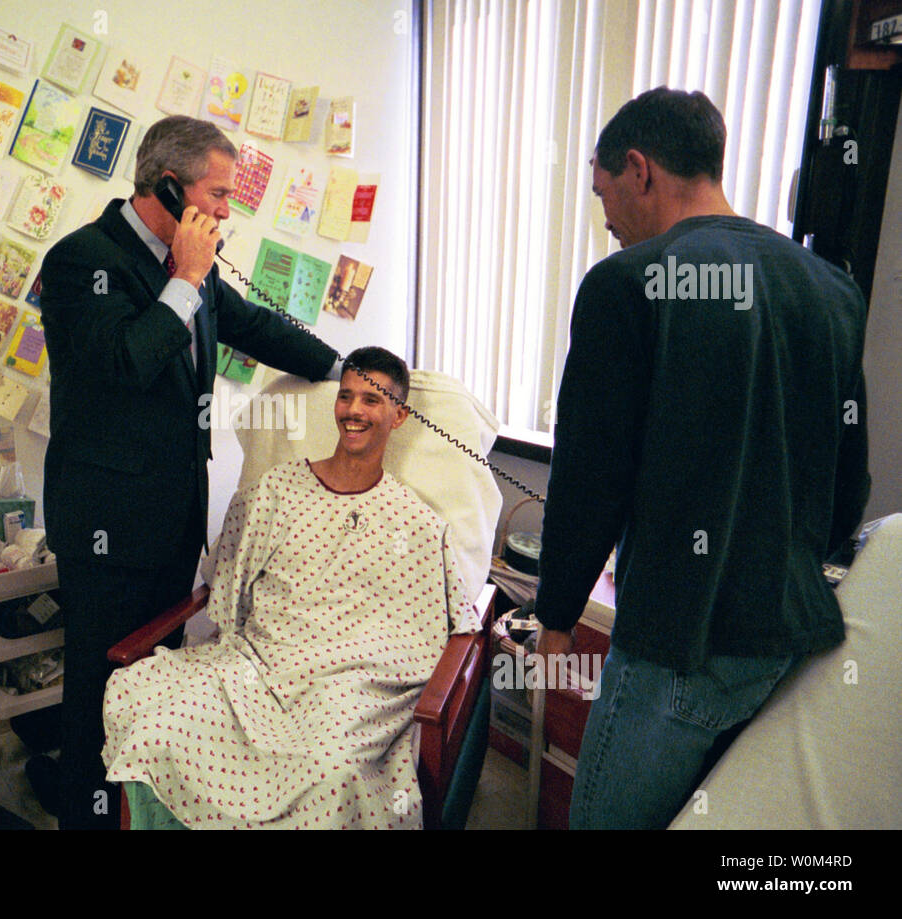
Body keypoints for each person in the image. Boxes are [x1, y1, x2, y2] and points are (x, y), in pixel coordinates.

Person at [532, 88, 871, 830]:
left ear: (638, 168)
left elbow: (591, 476)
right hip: (786, 645)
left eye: (603, 195)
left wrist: (556, 616)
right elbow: (849, 487)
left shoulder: (627, 284)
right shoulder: (830, 287)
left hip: (676, 649)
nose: (607, 220)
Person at [38, 115, 342, 829]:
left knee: (157, 693)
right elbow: (127, 360)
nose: (229, 210)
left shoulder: (190, 264)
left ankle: (144, 816)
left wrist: (346, 368)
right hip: (108, 526)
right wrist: (187, 276)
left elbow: (253, 326)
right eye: (220, 192)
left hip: (173, 519)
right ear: (170, 188)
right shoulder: (82, 260)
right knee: (101, 695)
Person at [102, 348, 480, 829]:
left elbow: (451, 622)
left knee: (336, 773)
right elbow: (224, 576)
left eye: (372, 399)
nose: (355, 410)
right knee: (155, 724)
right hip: (256, 667)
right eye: (346, 396)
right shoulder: (275, 491)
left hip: (348, 689)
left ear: (399, 415)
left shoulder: (418, 523)